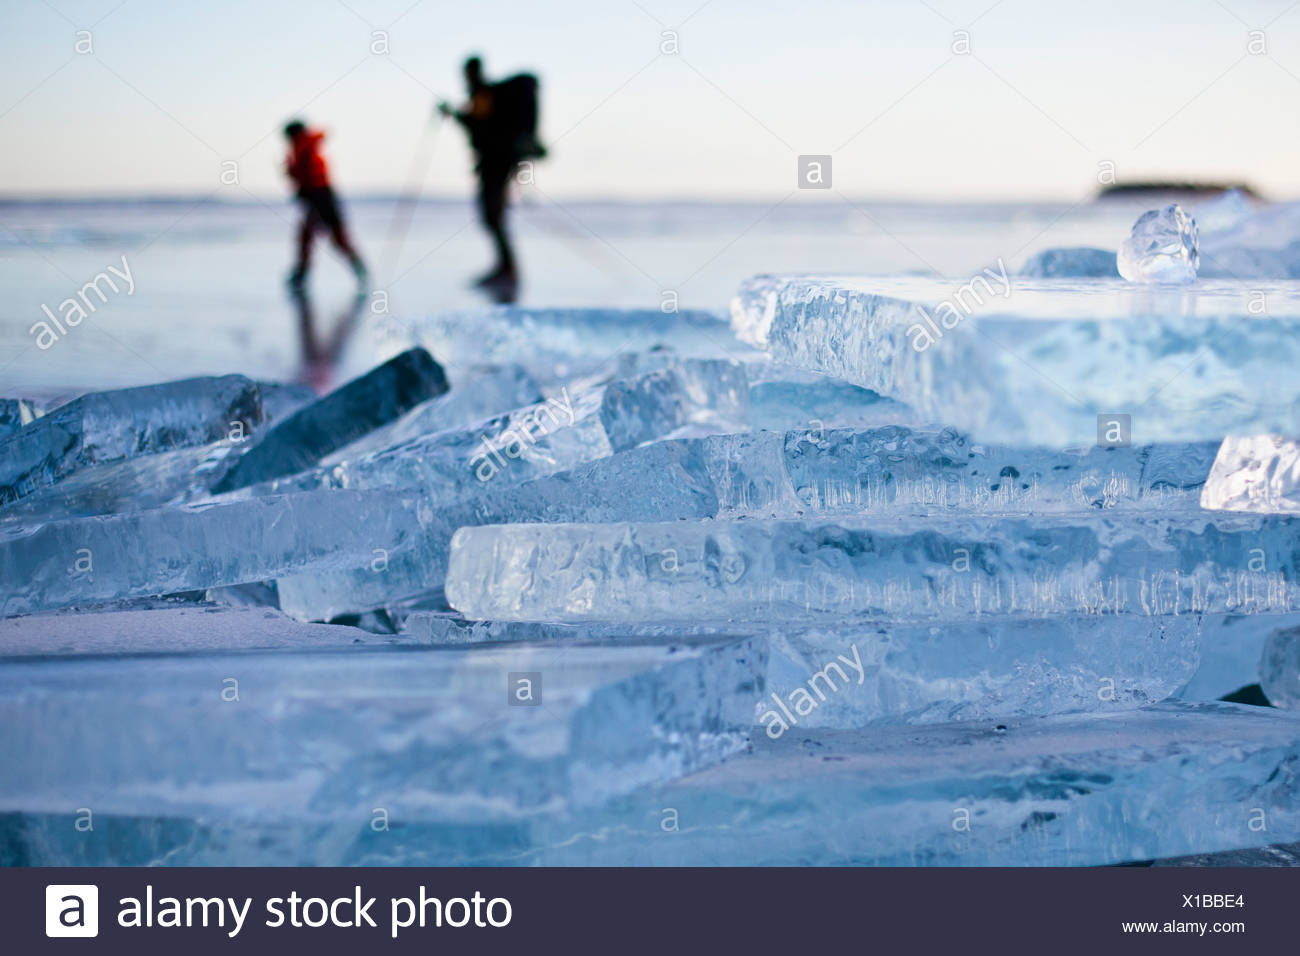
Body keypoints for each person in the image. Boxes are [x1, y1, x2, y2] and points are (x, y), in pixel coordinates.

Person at [439, 57, 545, 292]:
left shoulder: (483, 95)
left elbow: (478, 127)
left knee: (493, 216)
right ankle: (506, 267)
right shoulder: (485, 95)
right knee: (494, 217)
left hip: (494, 164)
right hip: (497, 163)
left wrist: (454, 115)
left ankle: (507, 268)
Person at [282, 119, 368, 294]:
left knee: (326, 238)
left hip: (322, 197)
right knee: (311, 237)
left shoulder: (304, 147)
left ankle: (358, 268)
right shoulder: (301, 149)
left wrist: (295, 177)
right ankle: (302, 274)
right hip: (318, 197)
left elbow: (307, 177)